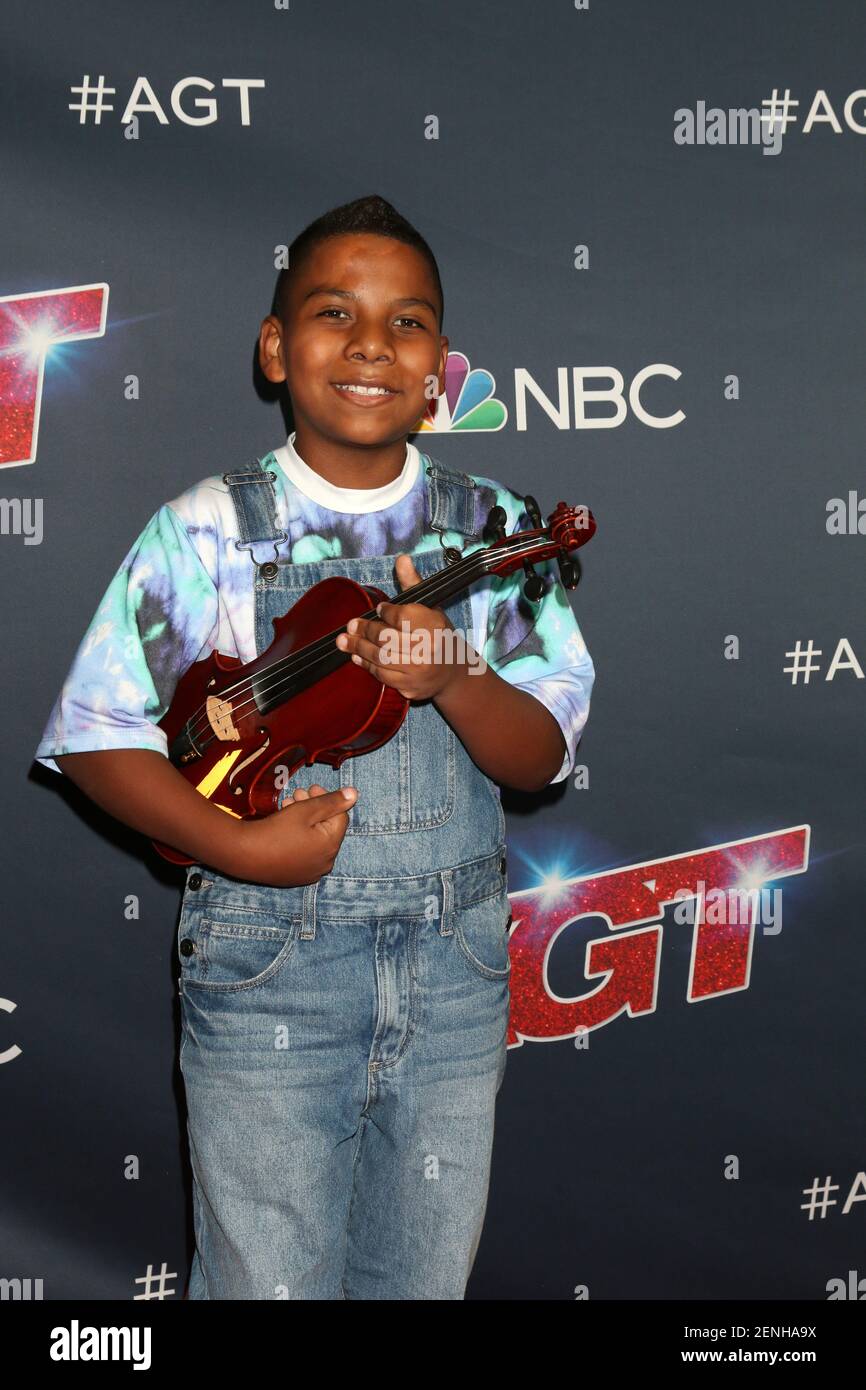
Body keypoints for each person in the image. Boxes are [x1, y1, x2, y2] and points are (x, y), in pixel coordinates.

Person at [34, 194, 595, 1300]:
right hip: (266, 962)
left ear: (440, 367)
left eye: (408, 322)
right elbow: (98, 737)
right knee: (263, 1280)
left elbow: (540, 755)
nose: (372, 345)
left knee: (420, 1275)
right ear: (275, 347)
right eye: (335, 313)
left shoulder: (489, 531)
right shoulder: (208, 525)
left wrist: (456, 677)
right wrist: (237, 851)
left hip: (454, 969)